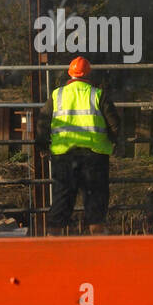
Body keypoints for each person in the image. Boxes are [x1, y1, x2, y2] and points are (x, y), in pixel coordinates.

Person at [36, 56, 120, 235]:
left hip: (64, 156)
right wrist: (115, 141)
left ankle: (53, 242)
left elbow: (43, 122)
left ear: (69, 74)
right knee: (96, 200)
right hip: (94, 156)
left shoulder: (57, 96)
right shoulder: (98, 95)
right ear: (88, 74)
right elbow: (115, 124)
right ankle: (97, 244)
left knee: (61, 198)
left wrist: (42, 145)